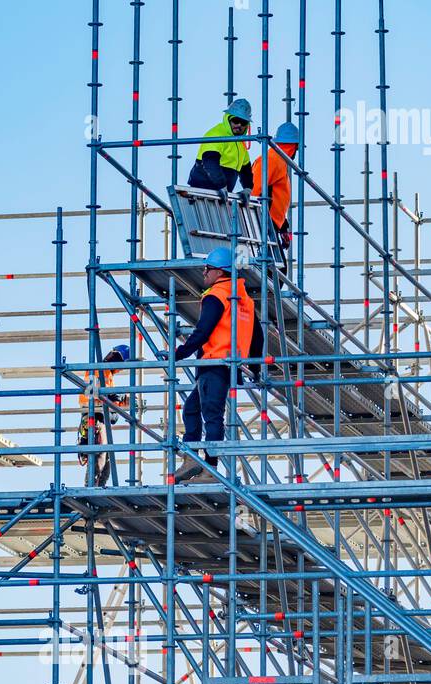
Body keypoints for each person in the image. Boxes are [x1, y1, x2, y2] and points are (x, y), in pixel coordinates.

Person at [173, 248, 263, 482]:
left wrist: (180, 353)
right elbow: (257, 336)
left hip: (215, 361)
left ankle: (209, 469)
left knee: (212, 416)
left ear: (219, 271)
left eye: (207, 269)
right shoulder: (244, 300)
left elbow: (203, 331)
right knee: (192, 409)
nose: (204, 273)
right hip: (227, 365)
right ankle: (194, 458)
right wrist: (255, 367)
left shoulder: (217, 295)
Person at [78, 344, 130, 486]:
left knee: (106, 463)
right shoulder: (98, 369)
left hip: (102, 416)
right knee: (99, 456)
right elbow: (93, 392)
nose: (121, 369)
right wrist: (113, 396)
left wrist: (121, 401)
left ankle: (97, 488)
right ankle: (90, 488)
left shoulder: (107, 374)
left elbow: (108, 401)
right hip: (95, 416)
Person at [188, 99, 254, 196]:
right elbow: (210, 161)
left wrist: (248, 188)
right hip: (202, 191)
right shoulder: (216, 134)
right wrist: (221, 185)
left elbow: (246, 170)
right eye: (236, 121)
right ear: (228, 119)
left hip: (221, 193)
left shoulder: (240, 144)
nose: (239, 125)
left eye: (243, 122)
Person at [251, 121, 299, 251]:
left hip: (271, 222)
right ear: (294, 146)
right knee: (275, 267)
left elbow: (277, 197)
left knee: (278, 267)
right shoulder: (272, 159)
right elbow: (255, 190)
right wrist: (254, 216)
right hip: (264, 220)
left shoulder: (279, 161)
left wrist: (284, 227)